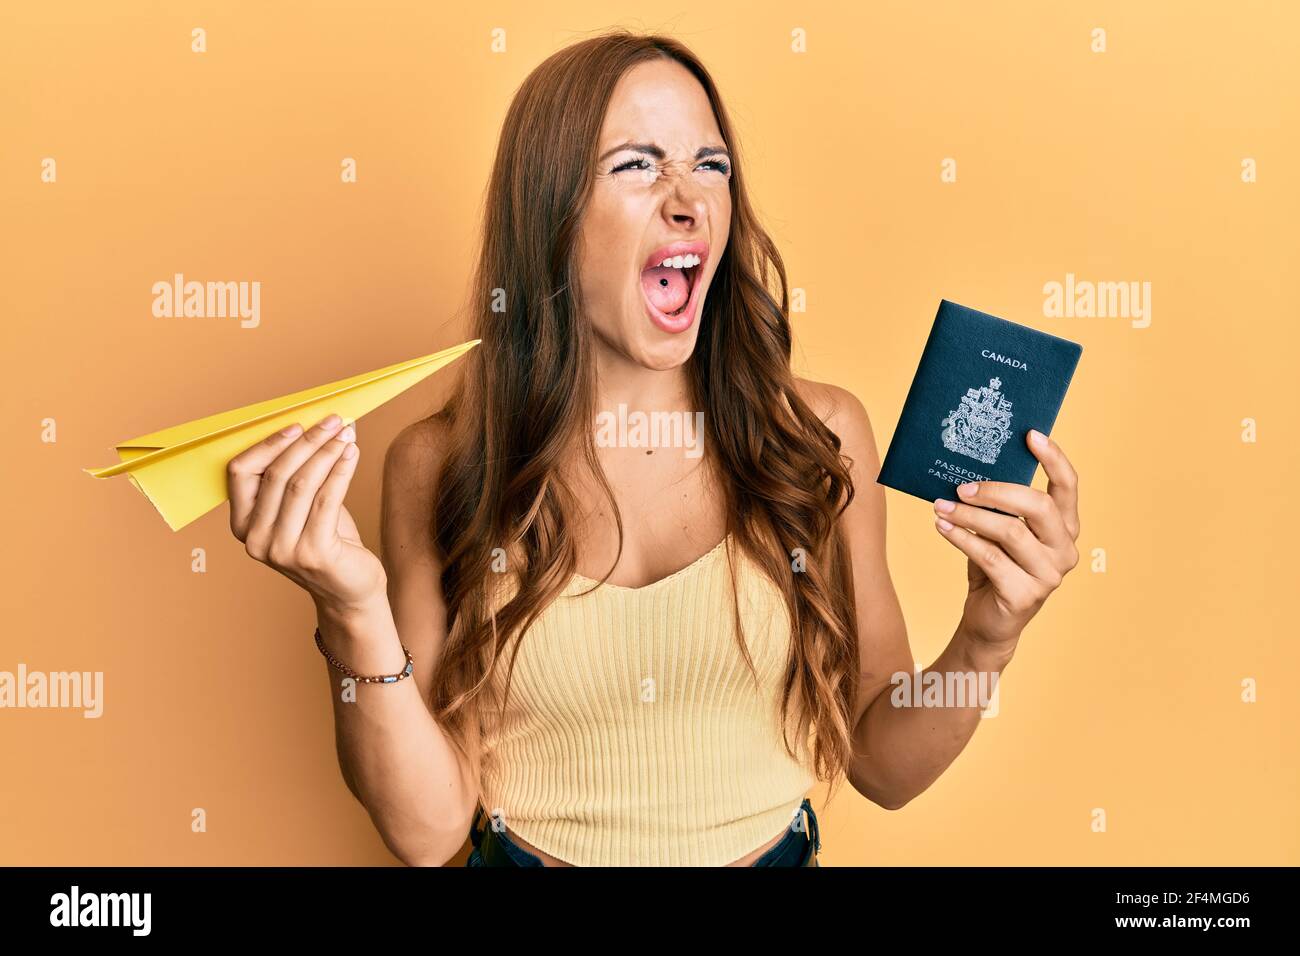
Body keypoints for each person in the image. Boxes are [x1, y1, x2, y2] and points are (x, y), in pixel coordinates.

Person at [223, 30, 1081, 867]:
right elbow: (428, 832)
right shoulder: (443, 463)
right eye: (637, 164)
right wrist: (352, 610)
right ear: (550, 213)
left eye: (710, 165)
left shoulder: (815, 437)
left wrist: (987, 636)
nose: (689, 198)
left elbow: (885, 766)